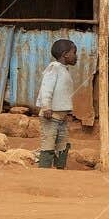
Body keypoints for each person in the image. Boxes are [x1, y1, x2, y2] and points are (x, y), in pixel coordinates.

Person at [36, 38, 77, 169]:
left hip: (61, 117)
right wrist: (46, 106)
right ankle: (44, 170)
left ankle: (60, 170)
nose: (76, 56)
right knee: (48, 143)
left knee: (62, 144)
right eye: (74, 53)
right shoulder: (54, 68)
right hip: (51, 115)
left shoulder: (64, 70)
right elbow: (46, 88)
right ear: (65, 54)